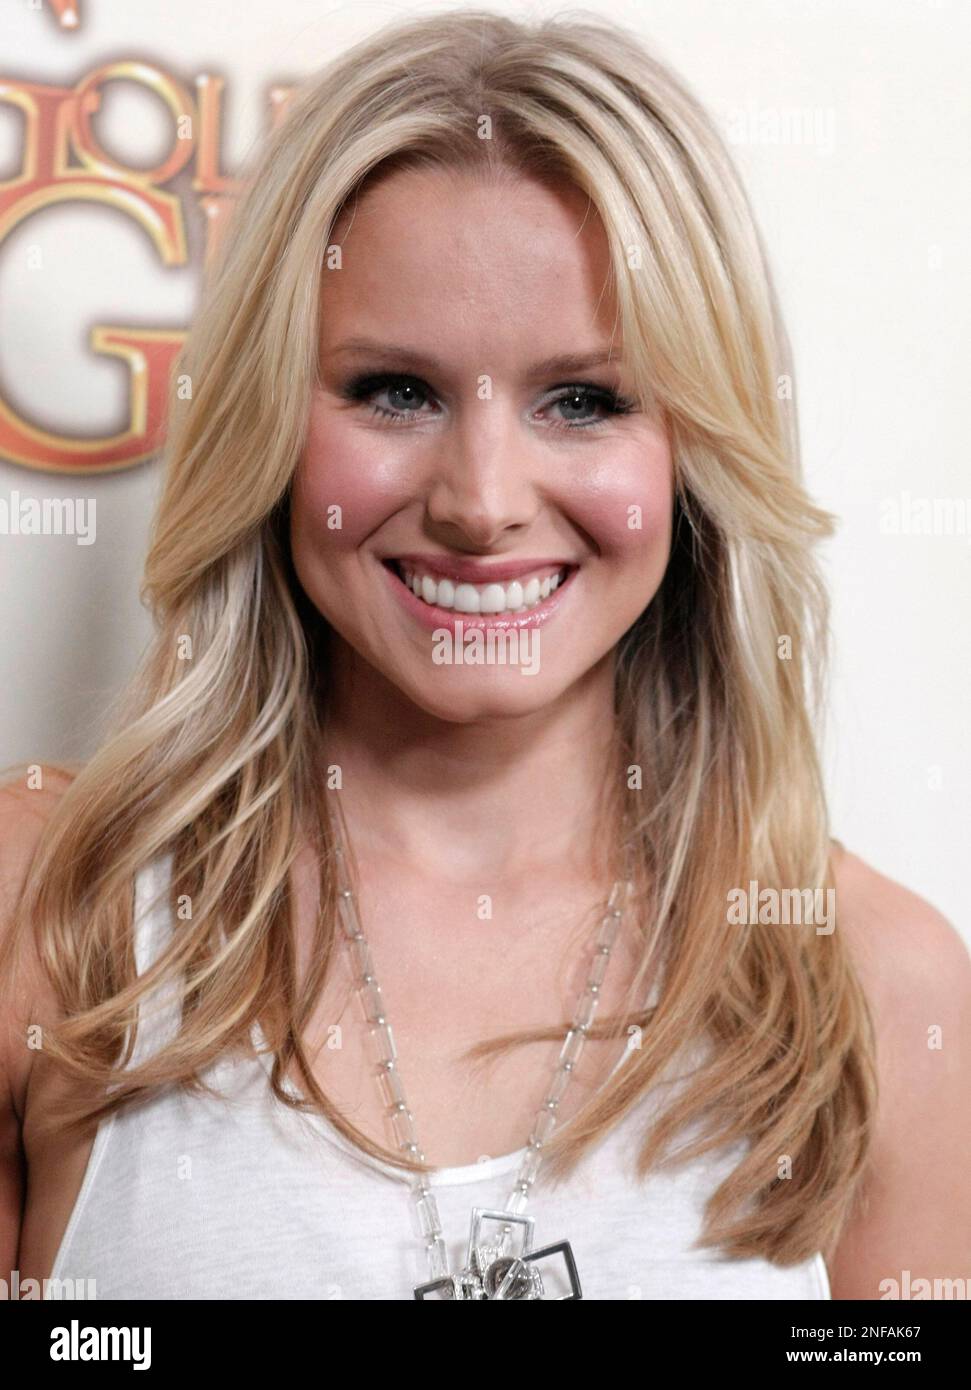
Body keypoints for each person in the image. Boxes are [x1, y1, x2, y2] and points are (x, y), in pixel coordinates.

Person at [2, 9, 969, 1302]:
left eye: (584, 399)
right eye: (396, 389)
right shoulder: (45, 906)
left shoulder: (872, 982)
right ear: (270, 419)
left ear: (699, 450)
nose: (481, 498)